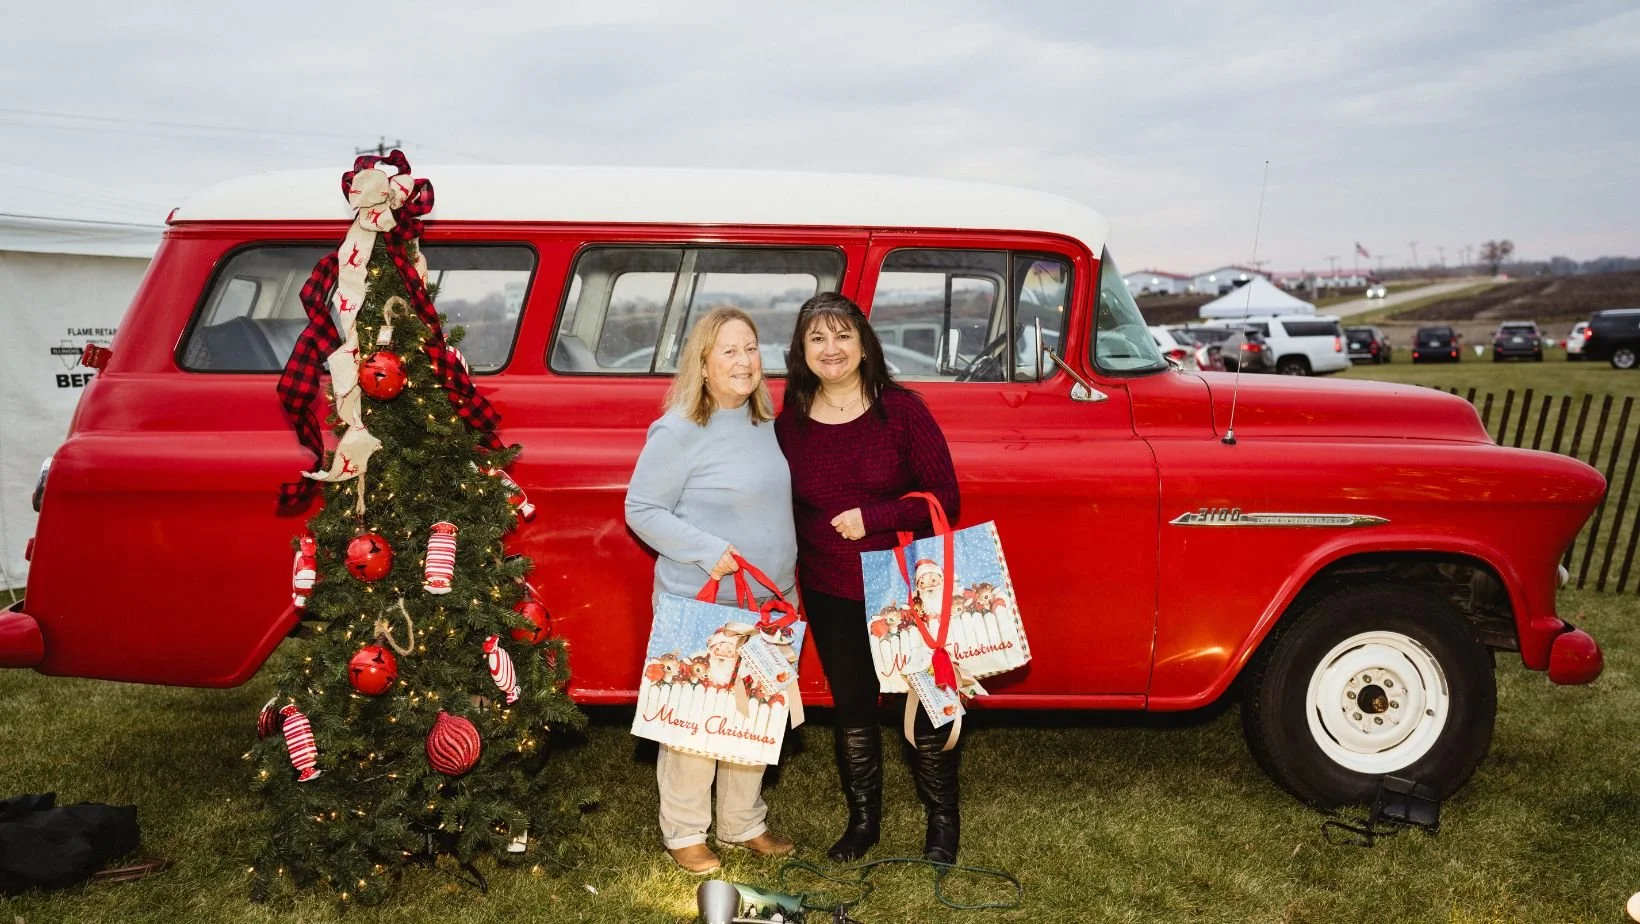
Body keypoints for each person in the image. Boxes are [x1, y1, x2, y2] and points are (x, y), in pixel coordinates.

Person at [774, 292, 963, 864]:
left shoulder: (902, 411)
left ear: (863, 343)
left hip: (901, 582)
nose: (831, 349)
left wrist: (876, 517)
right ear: (801, 352)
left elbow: (944, 499)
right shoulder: (790, 425)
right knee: (853, 706)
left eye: (842, 336)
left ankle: (942, 823)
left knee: (926, 701)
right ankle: (863, 824)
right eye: (817, 338)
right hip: (830, 587)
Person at [624, 307, 798, 874]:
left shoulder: (768, 423)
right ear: (702, 363)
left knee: (753, 716)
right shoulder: (678, 429)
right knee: (693, 721)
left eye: (751, 347)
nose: (744, 360)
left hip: (769, 603)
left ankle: (742, 822)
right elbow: (641, 509)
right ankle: (684, 830)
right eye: (728, 350)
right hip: (701, 601)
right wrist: (707, 550)